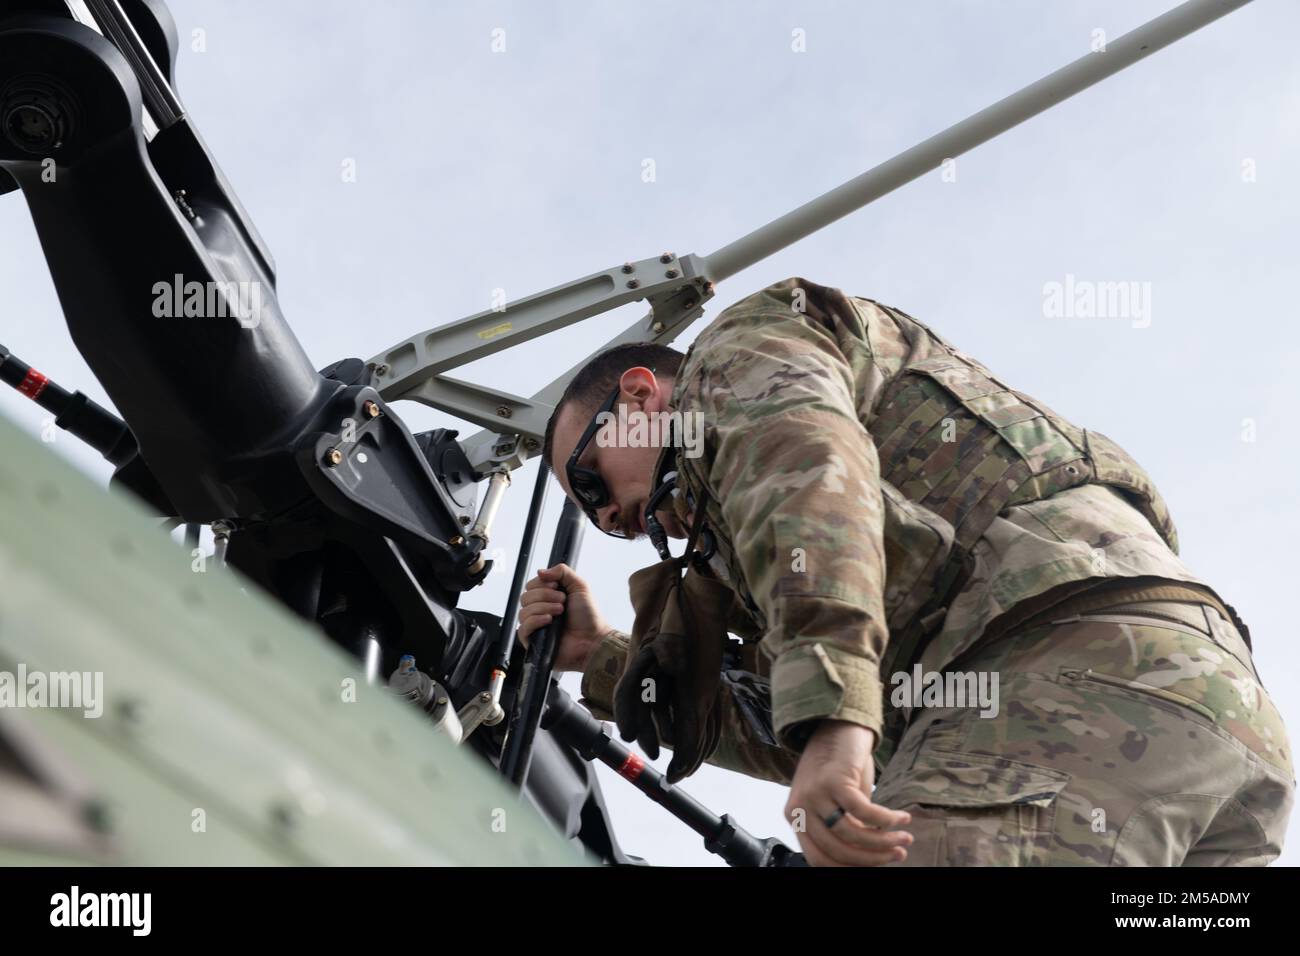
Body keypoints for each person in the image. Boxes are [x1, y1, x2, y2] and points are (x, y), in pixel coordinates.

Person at [517, 276, 1294, 866]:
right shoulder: (769, 566)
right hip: (1202, 728)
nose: (607, 519)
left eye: (590, 482)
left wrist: (837, 723)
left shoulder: (735, 359)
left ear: (642, 393)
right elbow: (793, 728)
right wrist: (602, 658)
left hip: (1063, 683)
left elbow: (807, 468)